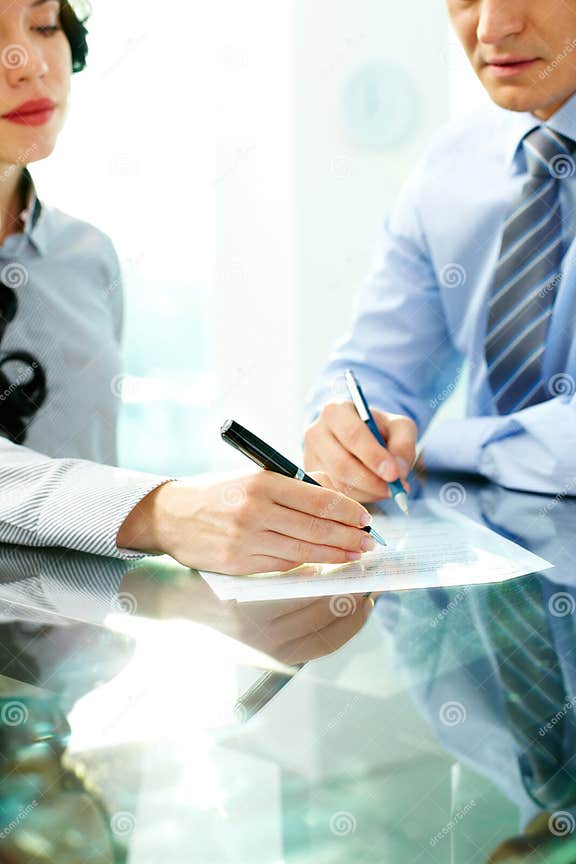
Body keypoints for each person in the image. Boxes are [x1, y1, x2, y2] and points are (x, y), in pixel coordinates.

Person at [0, 0, 375, 574]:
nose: (28, 63)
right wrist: (162, 513)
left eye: (45, 24)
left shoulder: (87, 257)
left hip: (72, 646)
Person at [304, 0, 576, 500]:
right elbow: (376, 369)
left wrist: (442, 445)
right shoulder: (453, 164)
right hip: (495, 556)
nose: (492, 28)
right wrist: (352, 434)